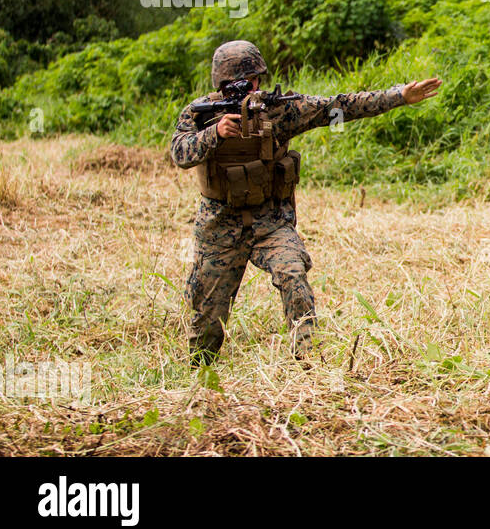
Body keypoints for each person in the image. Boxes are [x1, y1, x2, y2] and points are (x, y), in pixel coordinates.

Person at [170, 40, 441, 365]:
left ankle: (309, 362)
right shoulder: (201, 113)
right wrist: (215, 133)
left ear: (259, 81)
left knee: (293, 276)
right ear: (220, 83)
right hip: (218, 229)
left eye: (249, 82)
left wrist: (399, 96)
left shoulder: (279, 110)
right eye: (233, 85)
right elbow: (180, 153)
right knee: (207, 320)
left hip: (269, 223)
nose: (243, 89)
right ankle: (201, 381)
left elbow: (339, 107)